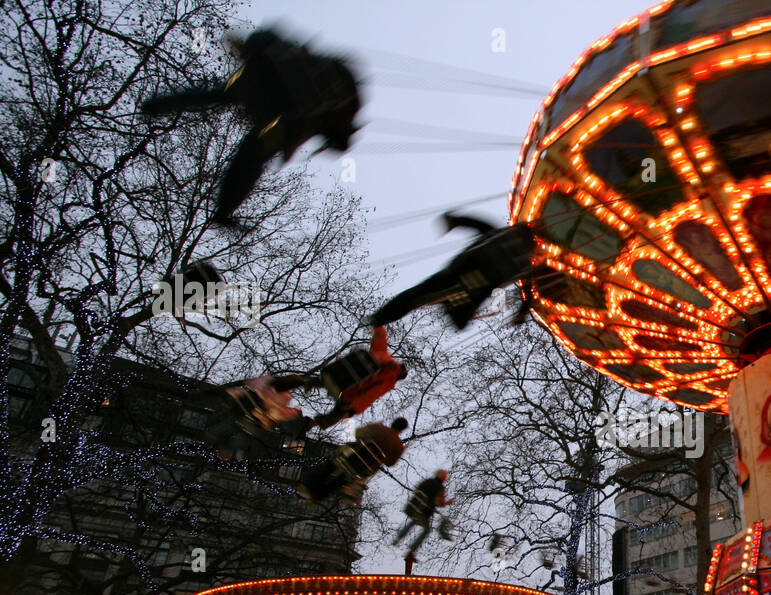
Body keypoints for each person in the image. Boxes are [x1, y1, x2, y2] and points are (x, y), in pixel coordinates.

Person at [141, 27, 361, 228]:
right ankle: (159, 105)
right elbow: (249, 162)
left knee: (221, 95)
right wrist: (224, 211)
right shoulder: (314, 119)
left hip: (267, 67)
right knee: (252, 143)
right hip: (276, 85)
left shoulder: (337, 99)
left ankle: (158, 104)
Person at [369, 214, 536, 330]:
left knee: (417, 296)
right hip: (476, 288)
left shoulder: (497, 234)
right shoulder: (524, 265)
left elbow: (478, 224)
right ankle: (452, 309)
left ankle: (380, 317)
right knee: (455, 314)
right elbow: (527, 291)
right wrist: (521, 314)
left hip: (458, 274)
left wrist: (455, 220)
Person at [310, 326, 408, 431]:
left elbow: (380, 340)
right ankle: (308, 425)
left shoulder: (385, 357)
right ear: (399, 377)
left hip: (339, 375)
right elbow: (371, 394)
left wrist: (379, 324)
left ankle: (300, 382)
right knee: (333, 417)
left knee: (318, 382)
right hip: (348, 395)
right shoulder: (389, 381)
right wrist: (354, 410)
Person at [299, 417, 408, 504]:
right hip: (361, 470)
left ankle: (309, 484)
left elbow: (357, 434)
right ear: (402, 430)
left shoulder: (378, 428)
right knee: (341, 481)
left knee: (331, 466)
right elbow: (390, 463)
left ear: (393, 422)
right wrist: (401, 450)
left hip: (348, 456)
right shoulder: (398, 447)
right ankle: (318, 496)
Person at [393, 470, 455, 561]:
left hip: (414, 508)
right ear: (442, 477)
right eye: (445, 477)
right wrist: (447, 503)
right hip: (424, 512)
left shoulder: (428, 481)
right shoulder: (440, 488)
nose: (446, 479)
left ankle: (398, 538)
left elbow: (417, 489)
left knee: (413, 522)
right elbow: (438, 502)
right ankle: (411, 551)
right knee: (426, 530)